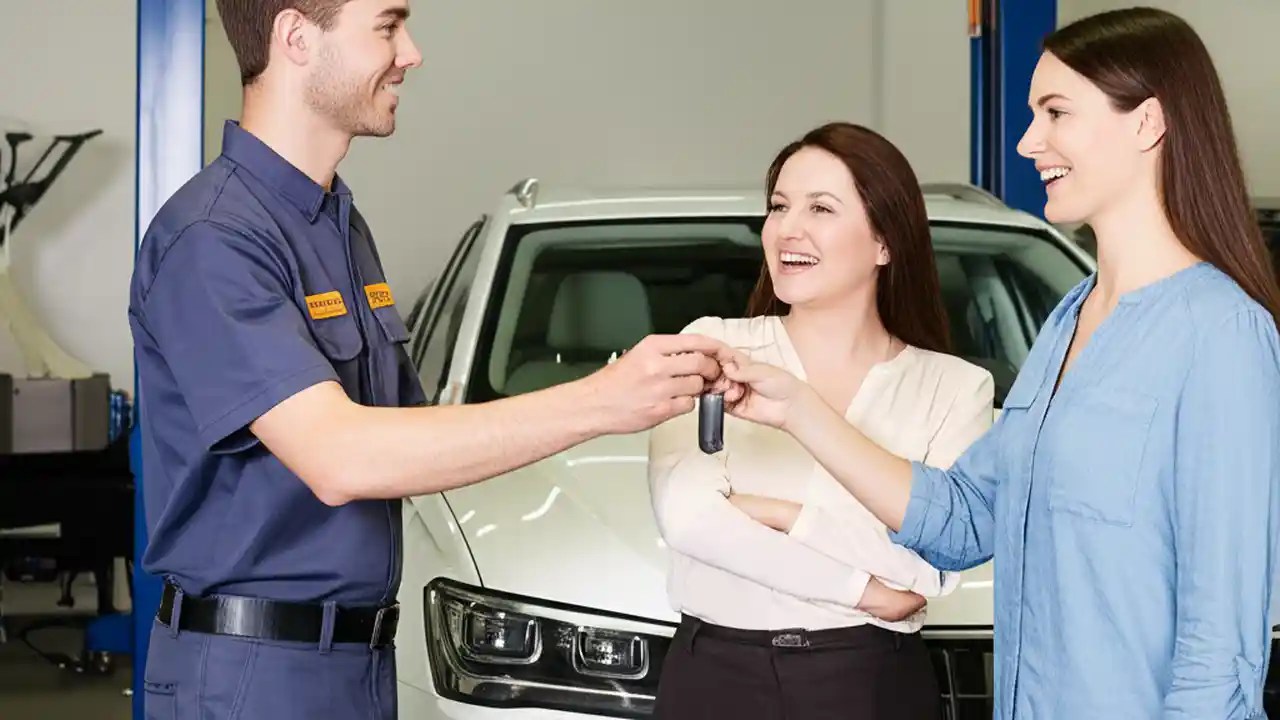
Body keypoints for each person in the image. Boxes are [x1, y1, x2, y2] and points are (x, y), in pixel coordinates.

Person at [127, 1, 729, 718]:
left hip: (354, 664)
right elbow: (340, 457)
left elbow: (415, 443)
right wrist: (602, 399)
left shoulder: (336, 226)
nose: (410, 52)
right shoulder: (214, 239)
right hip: (253, 675)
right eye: (387, 26)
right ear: (296, 37)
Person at [712, 8, 1280, 719]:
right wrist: (798, 408)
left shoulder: (1222, 334)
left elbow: (1220, 648)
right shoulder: (1070, 319)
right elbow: (966, 518)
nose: (1027, 141)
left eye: (1056, 113)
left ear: (1148, 123)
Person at [648, 122, 995, 719]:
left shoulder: (956, 387)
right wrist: (864, 590)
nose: (788, 228)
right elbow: (690, 519)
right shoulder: (713, 347)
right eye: (779, 206)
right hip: (717, 680)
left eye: (821, 208)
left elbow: (931, 570)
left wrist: (782, 515)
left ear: (885, 242)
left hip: (873, 684)